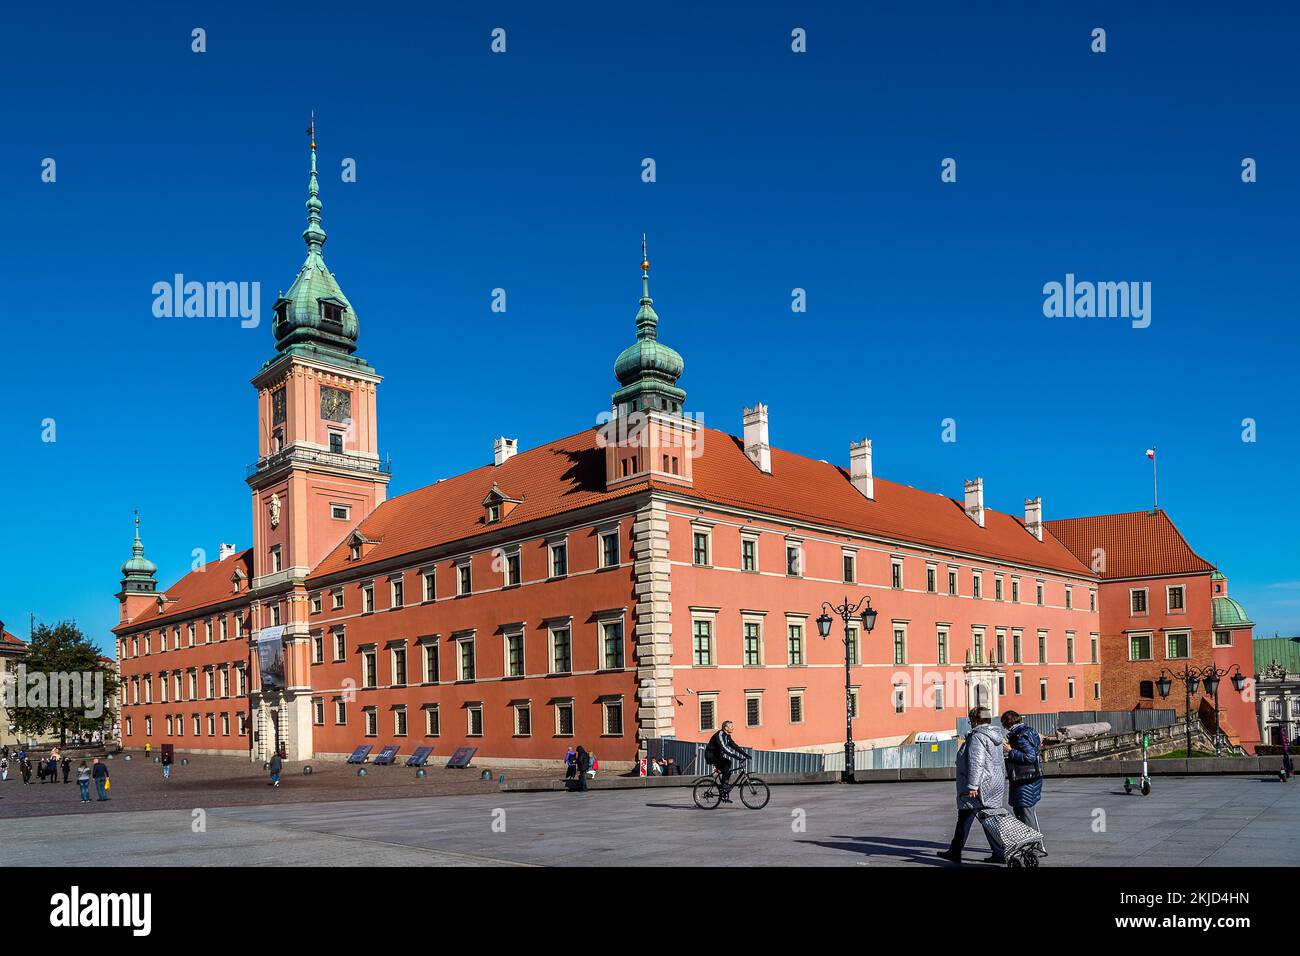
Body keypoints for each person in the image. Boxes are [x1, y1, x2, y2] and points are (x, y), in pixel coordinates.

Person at [938, 706, 1007, 864]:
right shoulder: (996, 735)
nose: (970, 723)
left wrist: (973, 786)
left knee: (966, 818)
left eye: (971, 720)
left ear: (976, 720)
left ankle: (955, 852)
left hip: (979, 787)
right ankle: (999, 853)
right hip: (993, 783)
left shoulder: (977, 737)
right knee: (987, 819)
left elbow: (977, 763)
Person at [1002, 710, 1044, 843]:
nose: (1003, 727)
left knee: (1026, 813)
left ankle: (1034, 846)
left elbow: (1029, 757)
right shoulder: (1028, 731)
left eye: (1003, 724)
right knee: (1022, 811)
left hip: (1025, 779)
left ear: (1008, 723)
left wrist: (1010, 751)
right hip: (1029, 778)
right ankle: (1030, 843)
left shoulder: (1019, 736)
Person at [704, 720, 749, 802]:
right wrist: (737, 757)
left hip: (717, 756)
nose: (733, 728)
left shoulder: (727, 736)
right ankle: (724, 786)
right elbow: (724, 748)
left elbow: (734, 746)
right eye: (731, 726)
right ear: (725, 728)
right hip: (711, 755)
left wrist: (745, 754)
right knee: (727, 763)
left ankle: (724, 790)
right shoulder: (720, 735)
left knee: (728, 770)